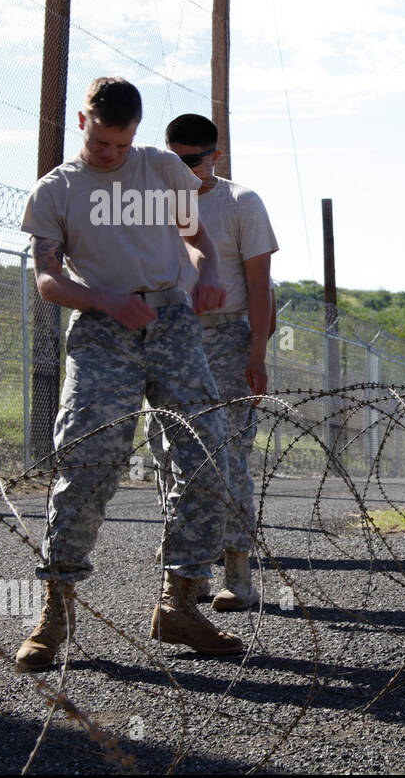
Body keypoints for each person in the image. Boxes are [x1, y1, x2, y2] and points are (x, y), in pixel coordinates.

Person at [17, 77, 244, 671]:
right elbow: (47, 281)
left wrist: (208, 270)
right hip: (102, 330)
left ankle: (179, 603)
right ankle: (56, 609)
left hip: (171, 322)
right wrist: (106, 301)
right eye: (101, 143)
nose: (112, 155)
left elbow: (197, 241)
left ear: (137, 133)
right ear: (81, 121)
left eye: (123, 144)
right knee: (89, 461)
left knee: (204, 455)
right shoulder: (56, 190)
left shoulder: (165, 171)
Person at [150, 113, 278, 612]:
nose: (183, 169)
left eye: (192, 160)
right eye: (173, 159)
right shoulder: (152, 205)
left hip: (227, 334)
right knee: (171, 454)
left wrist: (258, 354)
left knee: (228, 454)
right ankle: (187, 572)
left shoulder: (240, 202)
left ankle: (238, 573)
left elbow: (261, 283)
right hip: (171, 335)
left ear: (214, 157)